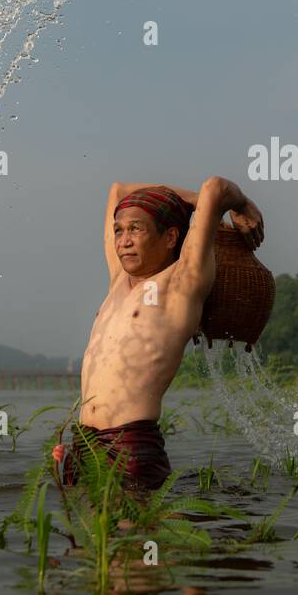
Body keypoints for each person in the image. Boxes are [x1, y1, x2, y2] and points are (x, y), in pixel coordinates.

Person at [61, 177, 263, 493]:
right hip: (84, 443)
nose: (124, 241)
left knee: (133, 538)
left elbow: (216, 188)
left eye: (136, 229)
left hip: (129, 443)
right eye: (119, 230)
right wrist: (193, 199)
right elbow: (117, 190)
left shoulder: (181, 283)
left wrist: (239, 204)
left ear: (170, 237)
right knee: (83, 540)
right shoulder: (119, 281)